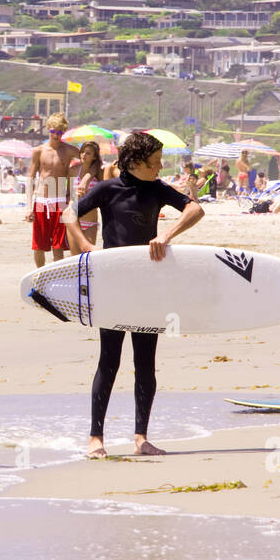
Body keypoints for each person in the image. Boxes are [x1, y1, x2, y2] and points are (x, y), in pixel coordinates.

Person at [62, 131, 205, 458]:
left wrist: (166, 234)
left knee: (146, 362)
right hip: (114, 283)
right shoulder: (108, 189)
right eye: (155, 162)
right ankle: (95, 438)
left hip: (148, 284)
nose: (159, 167)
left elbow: (195, 210)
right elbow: (69, 214)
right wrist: (84, 245)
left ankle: (141, 437)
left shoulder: (156, 189)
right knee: (109, 360)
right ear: (137, 162)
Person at [26, 113, 81, 266]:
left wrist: (75, 171)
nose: (56, 136)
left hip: (60, 202)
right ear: (48, 130)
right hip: (41, 202)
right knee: (39, 247)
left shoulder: (70, 150)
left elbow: (89, 160)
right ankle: (40, 278)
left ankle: (55, 279)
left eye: (59, 132)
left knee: (58, 247)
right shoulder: (39, 151)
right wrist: (29, 207)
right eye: (53, 132)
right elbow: (30, 179)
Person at [73, 140, 103, 245]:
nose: (84, 155)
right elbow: (67, 193)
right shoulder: (72, 170)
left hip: (90, 220)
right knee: (74, 257)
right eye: (83, 152)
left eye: (88, 153)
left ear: (94, 157)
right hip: (73, 219)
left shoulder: (99, 172)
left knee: (87, 257)